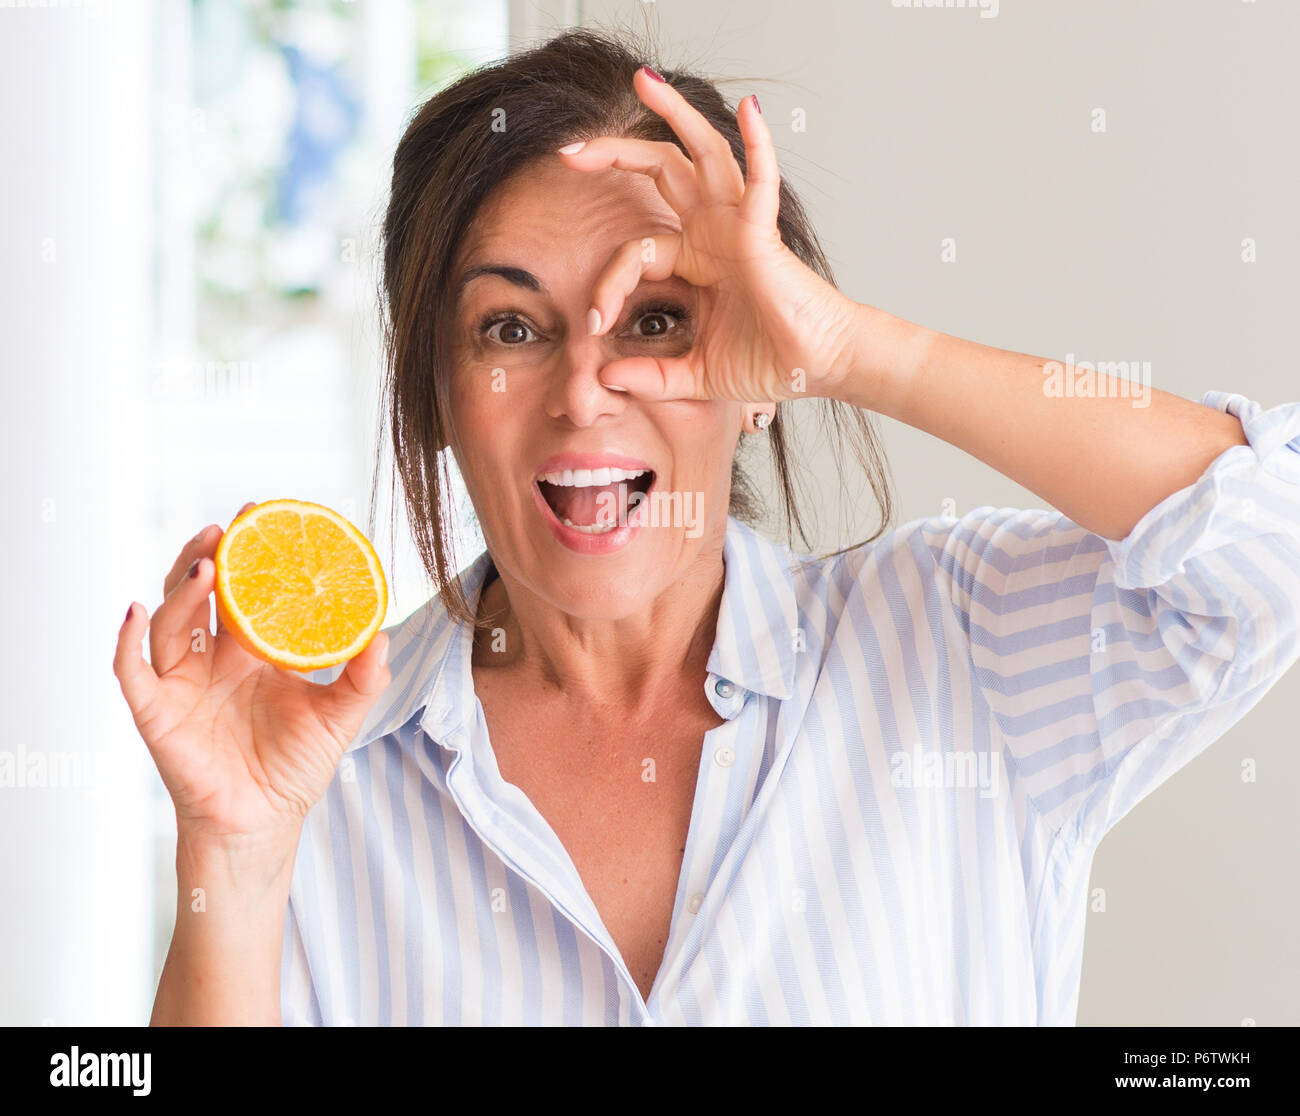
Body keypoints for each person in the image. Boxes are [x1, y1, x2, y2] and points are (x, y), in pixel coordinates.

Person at [115, 29, 1300, 1025]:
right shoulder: (326, 777)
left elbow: (1268, 548)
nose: (583, 391)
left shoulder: (957, 652)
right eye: (511, 331)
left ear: (757, 372)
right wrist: (236, 852)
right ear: (433, 394)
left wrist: (855, 350)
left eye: (658, 321)